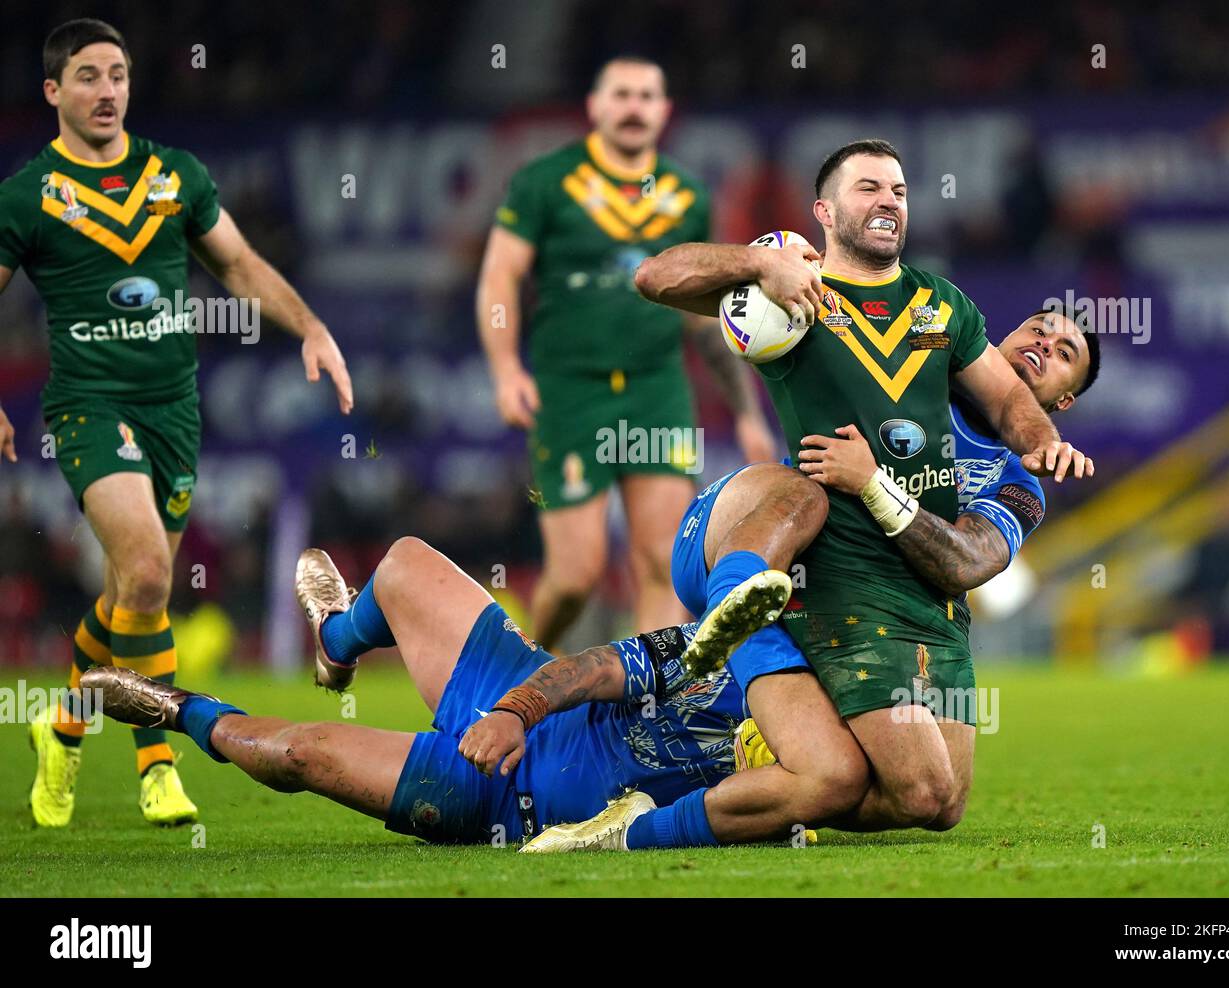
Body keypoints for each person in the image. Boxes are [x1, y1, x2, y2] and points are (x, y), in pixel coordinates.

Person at [523, 141, 1096, 850]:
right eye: (869, 188)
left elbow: (1009, 414)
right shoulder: (798, 292)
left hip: (930, 603)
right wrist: (757, 261)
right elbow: (655, 277)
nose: (889, 199)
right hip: (841, 574)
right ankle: (671, 793)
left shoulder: (944, 314)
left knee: (937, 804)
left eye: (900, 190)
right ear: (824, 210)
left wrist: (1038, 441)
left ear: (1067, 398)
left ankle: (753, 778)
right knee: (905, 784)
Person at [0, 19, 353, 827]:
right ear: (54, 91)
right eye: (87, 76)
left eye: (118, 74)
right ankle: (158, 762)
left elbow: (237, 263)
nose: (107, 90)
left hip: (174, 409)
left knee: (132, 591)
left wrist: (310, 326)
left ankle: (61, 726)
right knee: (152, 576)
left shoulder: (174, 176)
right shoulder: (27, 196)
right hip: (89, 407)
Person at [82, 540, 759, 846]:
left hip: (499, 793)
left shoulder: (815, 766)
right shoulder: (749, 633)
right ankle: (335, 639)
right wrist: (514, 708)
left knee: (299, 754)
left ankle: (174, 707)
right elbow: (601, 666)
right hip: (523, 693)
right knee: (404, 563)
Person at [476, 55, 775, 650]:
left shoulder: (686, 196)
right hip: (571, 391)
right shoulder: (544, 182)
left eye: (647, 96)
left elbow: (702, 317)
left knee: (663, 561)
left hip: (657, 389)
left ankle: (647, 720)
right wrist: (507, 369)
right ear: (595, 107)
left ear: (664, 112)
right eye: (621, 94)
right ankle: (523, 664)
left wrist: (745, 412)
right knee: (577, 574)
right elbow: (500, 277)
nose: (634, 107)